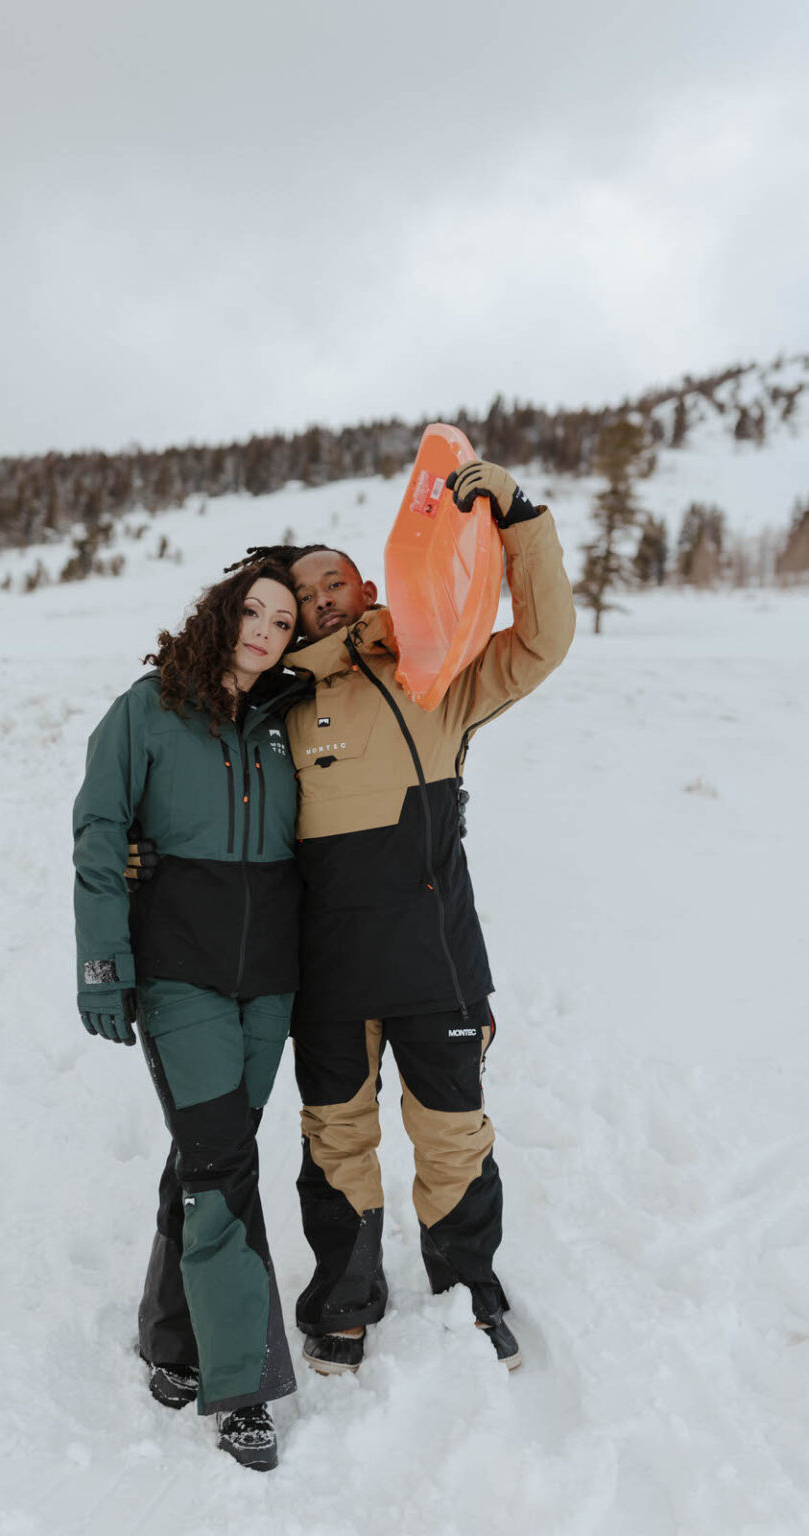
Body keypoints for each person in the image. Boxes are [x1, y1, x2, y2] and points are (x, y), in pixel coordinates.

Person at [277, 459, 575, 1375]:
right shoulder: (273, 704)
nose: (324, 598)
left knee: (452, 1135)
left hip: (434, 956)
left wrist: (520, 522)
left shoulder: (429, 669)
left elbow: (541, 643)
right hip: (324, 966)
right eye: (304, 592)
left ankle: (468, 1289)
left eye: (336, 580)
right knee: (337, 1135)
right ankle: (346, 1298)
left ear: (366, 584)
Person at [71, 560, 305, 1471]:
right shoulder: (149, 708)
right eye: (251, 610)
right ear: (221, 612)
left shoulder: (294, 720)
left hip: (272, 981)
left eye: (283, 621)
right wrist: (103, 963)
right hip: (180, 978)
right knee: (224, 1167)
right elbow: (99, 830)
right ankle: (240, 1384)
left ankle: (169, 1336)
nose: (264, 630)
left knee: (210, 1159)